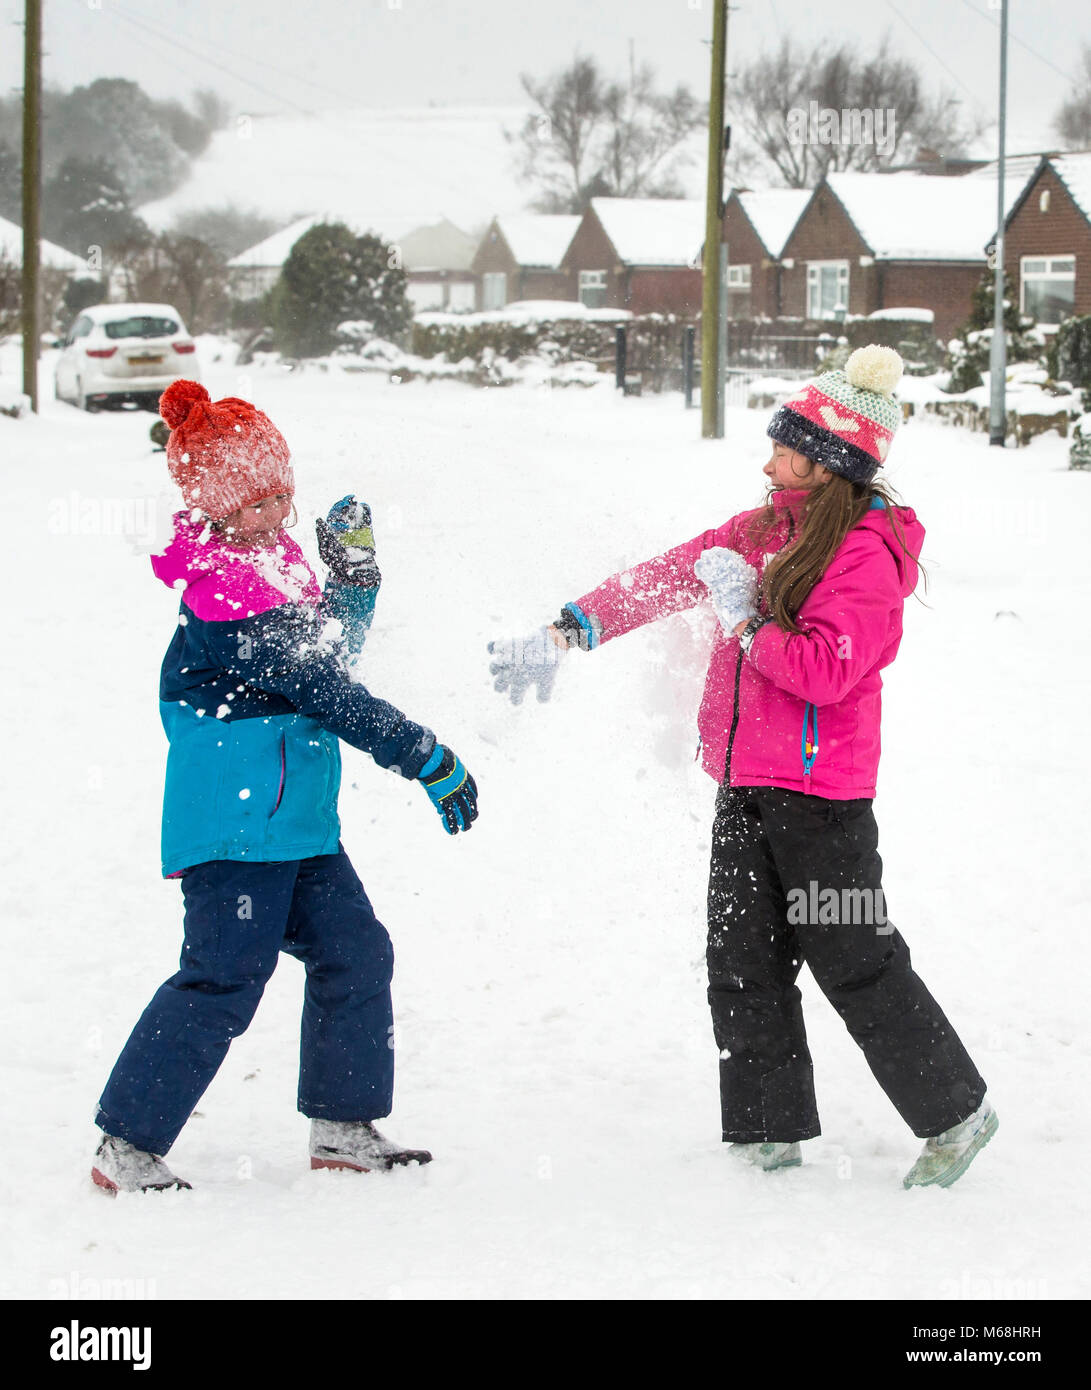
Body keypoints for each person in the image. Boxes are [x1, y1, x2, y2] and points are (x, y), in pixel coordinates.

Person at [488, 345, 996, 1190]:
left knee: (855, 959)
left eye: (786, 446)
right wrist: (562, 631)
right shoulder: (762, 528)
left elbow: (829, 669)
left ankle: (956, 1114)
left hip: (823, 807)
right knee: (739, 959)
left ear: (827, 460)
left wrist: (747, 621)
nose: (767, 461)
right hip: (746, 788)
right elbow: (661, 577)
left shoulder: (866, 553)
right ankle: (767, 1132)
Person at [92, 379, 478, 1195]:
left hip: (293, 820)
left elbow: (329, 654)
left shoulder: (272, 560)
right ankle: (125, 1145)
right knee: (224, 974)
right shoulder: (220, 593)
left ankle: (341, 1125)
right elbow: (323, 689)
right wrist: (424, 755)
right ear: (217, 508)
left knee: (354, 951)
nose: (274, 516)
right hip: (234, 826)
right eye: (256, 503)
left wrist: (353, 580)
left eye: (282, 498)